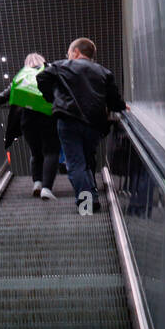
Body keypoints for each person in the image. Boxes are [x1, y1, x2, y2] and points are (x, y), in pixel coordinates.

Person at [36, 38, 128, 214]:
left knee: (76, 163)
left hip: (68, 121)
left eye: (69, 52)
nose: (68, 55)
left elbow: (41, 77)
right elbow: (114, 100)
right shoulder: (104, 72)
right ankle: (90, 197)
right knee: (86, 161)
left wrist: (53, 97)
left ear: (76, 52)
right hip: (94, 124)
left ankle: (86, 205)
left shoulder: (61, 66)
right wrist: (122, 107)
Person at [0, 53, 61, 200]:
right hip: (48, 118)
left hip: (27, 121)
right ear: (43, 62)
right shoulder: (50, 72)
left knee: (36, 153)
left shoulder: (22, 76)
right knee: (51, 152)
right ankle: (47, 188)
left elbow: (6, 95)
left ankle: (37, 183)